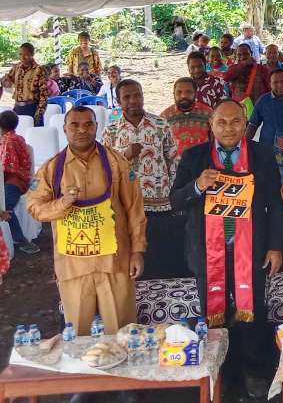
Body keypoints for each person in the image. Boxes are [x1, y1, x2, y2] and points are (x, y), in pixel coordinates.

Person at [170, 99, 283, 399]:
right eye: (222, 122)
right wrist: (196, 186)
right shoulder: (195, 157)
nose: (229, 128)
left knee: (253, 314)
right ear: (211, 125)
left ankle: (255, 374)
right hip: (208, 254)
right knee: (213, 316)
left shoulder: (261, 155)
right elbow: (176, 200)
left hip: (252, 251)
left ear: (246, 125)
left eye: (236, 122)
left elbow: (275, 204)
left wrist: (274, 247)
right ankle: (221, 377)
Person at [27, 106, 145, 336]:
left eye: (88, 124)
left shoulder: (117, 162)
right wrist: (62, 204)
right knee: (79, 337)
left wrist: (138, 250)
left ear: (96, 127)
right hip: (74, 266)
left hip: (114, 262)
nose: (82, 130)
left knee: (121, 334)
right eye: (75, 125)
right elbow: (34, 207)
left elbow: (134, 209)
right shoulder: (50, 169)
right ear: (65, 129)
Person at [103, 79, 182, 280]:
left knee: (160, 255)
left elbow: (173, 160)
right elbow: (103, 169)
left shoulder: (160, 124)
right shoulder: (111, 131)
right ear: (119, 101)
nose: (133, 100)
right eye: (127, 97)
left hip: (159, 203)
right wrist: (125, 154)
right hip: (126, 205)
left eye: (137, 95)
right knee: (133, 257)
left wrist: (173, 192)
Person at [0, 111, 39, 254]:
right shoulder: (15, 138)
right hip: (11, 179)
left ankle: (21, 240)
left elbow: (9, 168)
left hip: (16, 181)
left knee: (5, 207)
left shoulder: (9, 141)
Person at [160, 77, 212, 163]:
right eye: (179, 92)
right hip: (175, 168)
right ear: (174, 94)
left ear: (195, 93)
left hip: (202, 165)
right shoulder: (165, 116)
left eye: (188, 92)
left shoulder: (208, 113)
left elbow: (215, 140)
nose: (183, 96)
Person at [1, 42, 47, 125]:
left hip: (32, 107)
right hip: (17, 107)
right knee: (18, 132)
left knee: (33, 134)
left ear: (32, 54)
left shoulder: (39, 70)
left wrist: (39, 112)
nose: (22, 57)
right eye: (20, 54)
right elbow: (7, 82)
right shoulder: (17, 67)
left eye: (26, 55)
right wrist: (5, 80)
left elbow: (43, 94)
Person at [225, 43, 271, 116]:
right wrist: (244, 64)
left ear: (251, 53)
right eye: (239, 55)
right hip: (240, 110)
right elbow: (226, 77)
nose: (243, 57)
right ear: (236, 56)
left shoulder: (262, 69)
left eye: (246, 54)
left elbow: (269, 88)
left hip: (260, 109)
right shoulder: (234, 68)